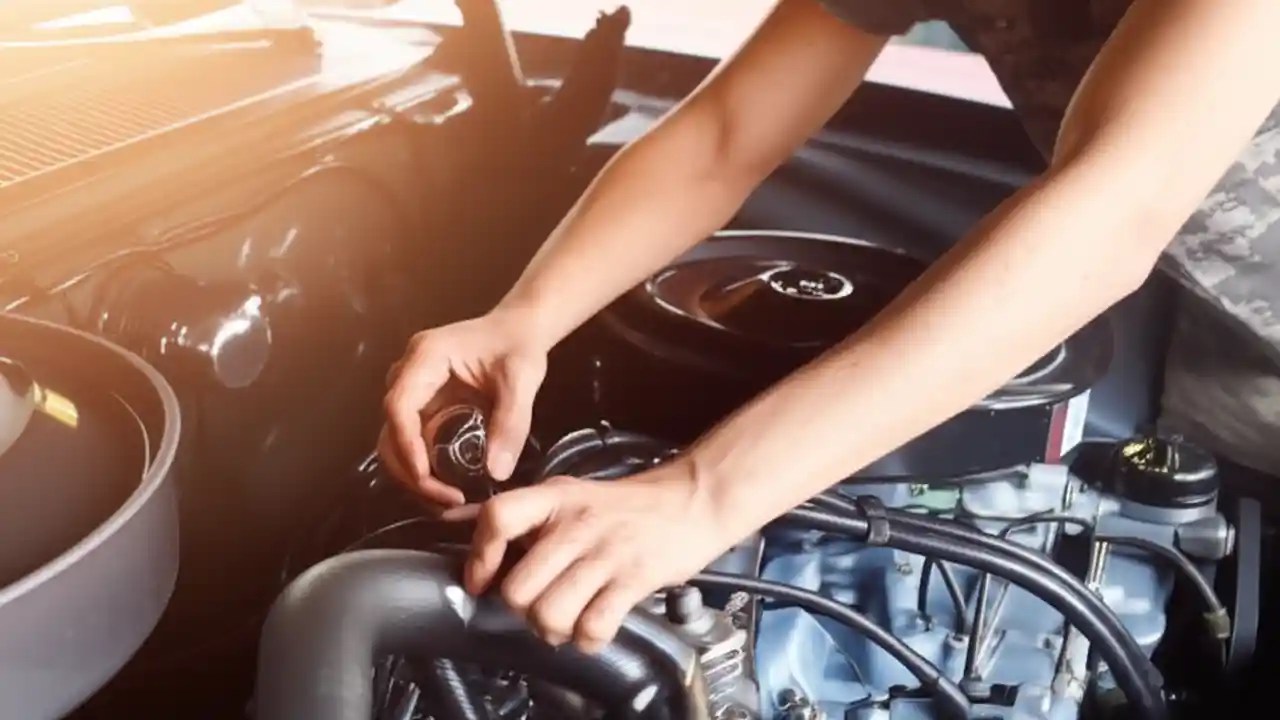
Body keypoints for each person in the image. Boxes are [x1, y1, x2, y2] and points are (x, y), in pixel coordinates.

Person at [379, 0, 1280, 653]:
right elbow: (727, 134)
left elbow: (1114, 208)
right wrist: (528, 317)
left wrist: (703, 494)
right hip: (1219, 355)